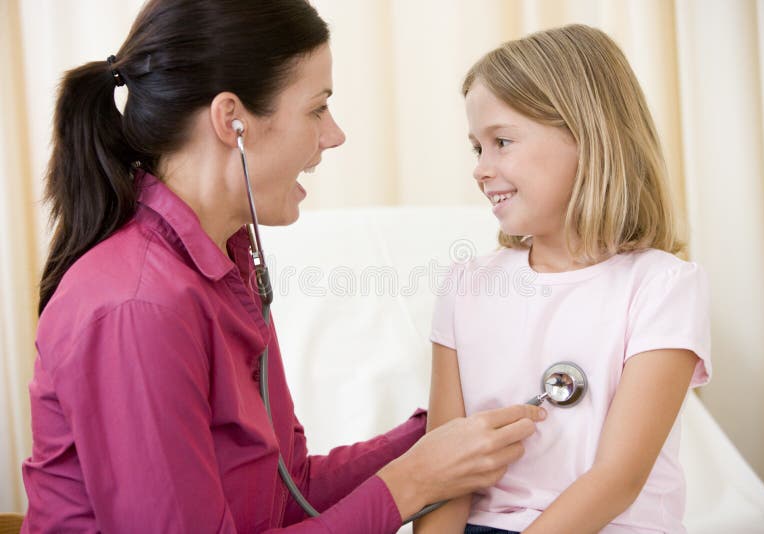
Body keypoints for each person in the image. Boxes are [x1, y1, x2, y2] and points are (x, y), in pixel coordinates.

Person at [21, 1, 548, 532]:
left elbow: (287, 492)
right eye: (317, 108)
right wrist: (416, 482)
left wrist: (435, 429)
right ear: (234, 121)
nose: (334, 134)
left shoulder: (228, 266)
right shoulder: (137, 307)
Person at [414, 25, 711, 534]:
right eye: (476, 148)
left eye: (501, 141)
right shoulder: (467, 286)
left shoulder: (662, 287)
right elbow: (447, 472)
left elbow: (617, 479)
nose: (481, 169)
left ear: (587, 136)